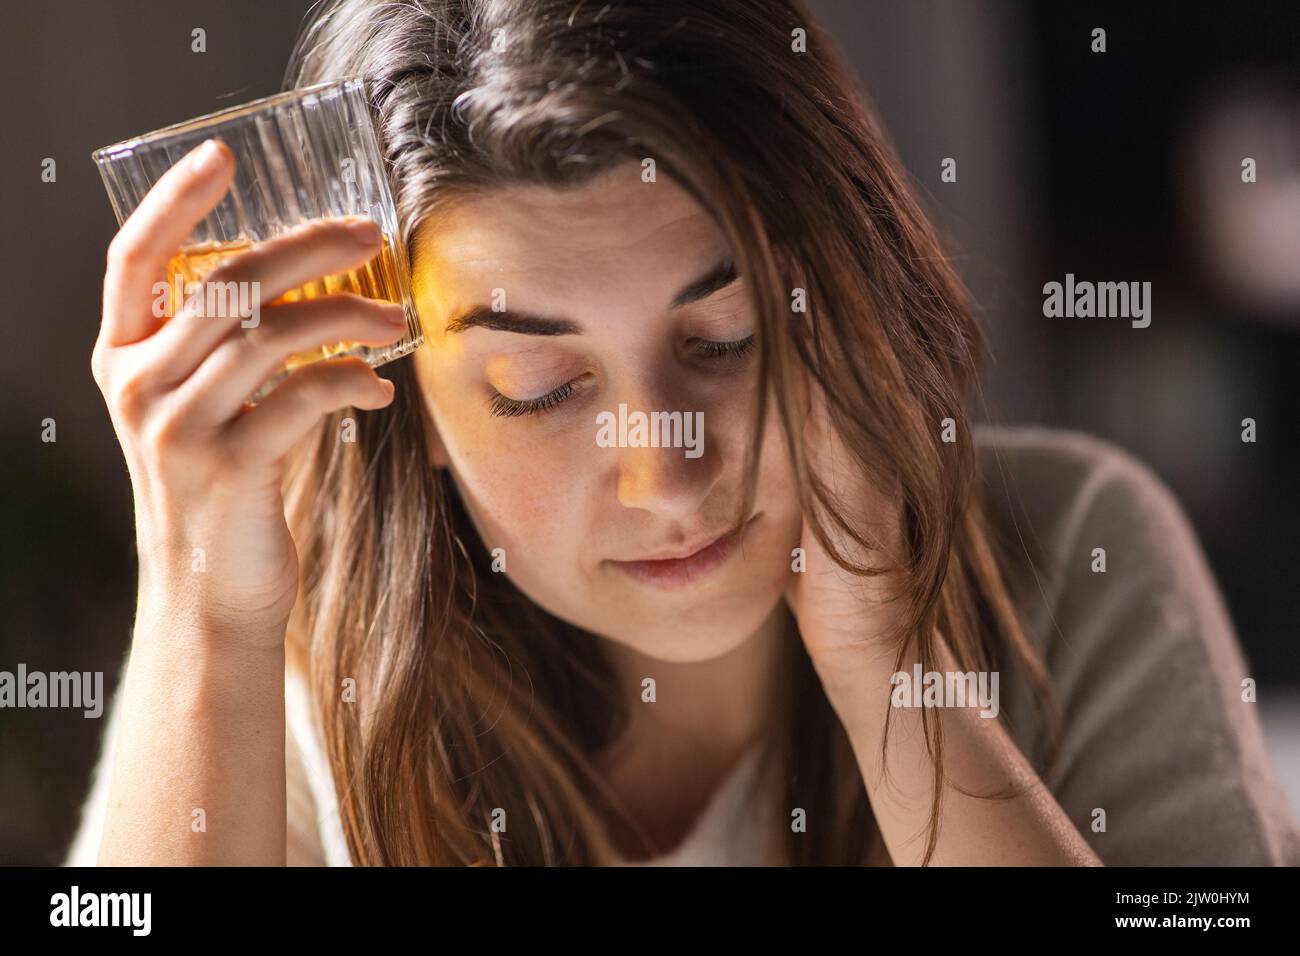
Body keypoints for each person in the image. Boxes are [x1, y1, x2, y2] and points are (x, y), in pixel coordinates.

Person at [65, 0, 1300, 866]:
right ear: (419, 410)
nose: (668, 474)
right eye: (540, 383)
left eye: (726, 341)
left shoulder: (1081, 546)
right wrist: (200, 604)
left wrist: (884, 657)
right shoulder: (284, 653)